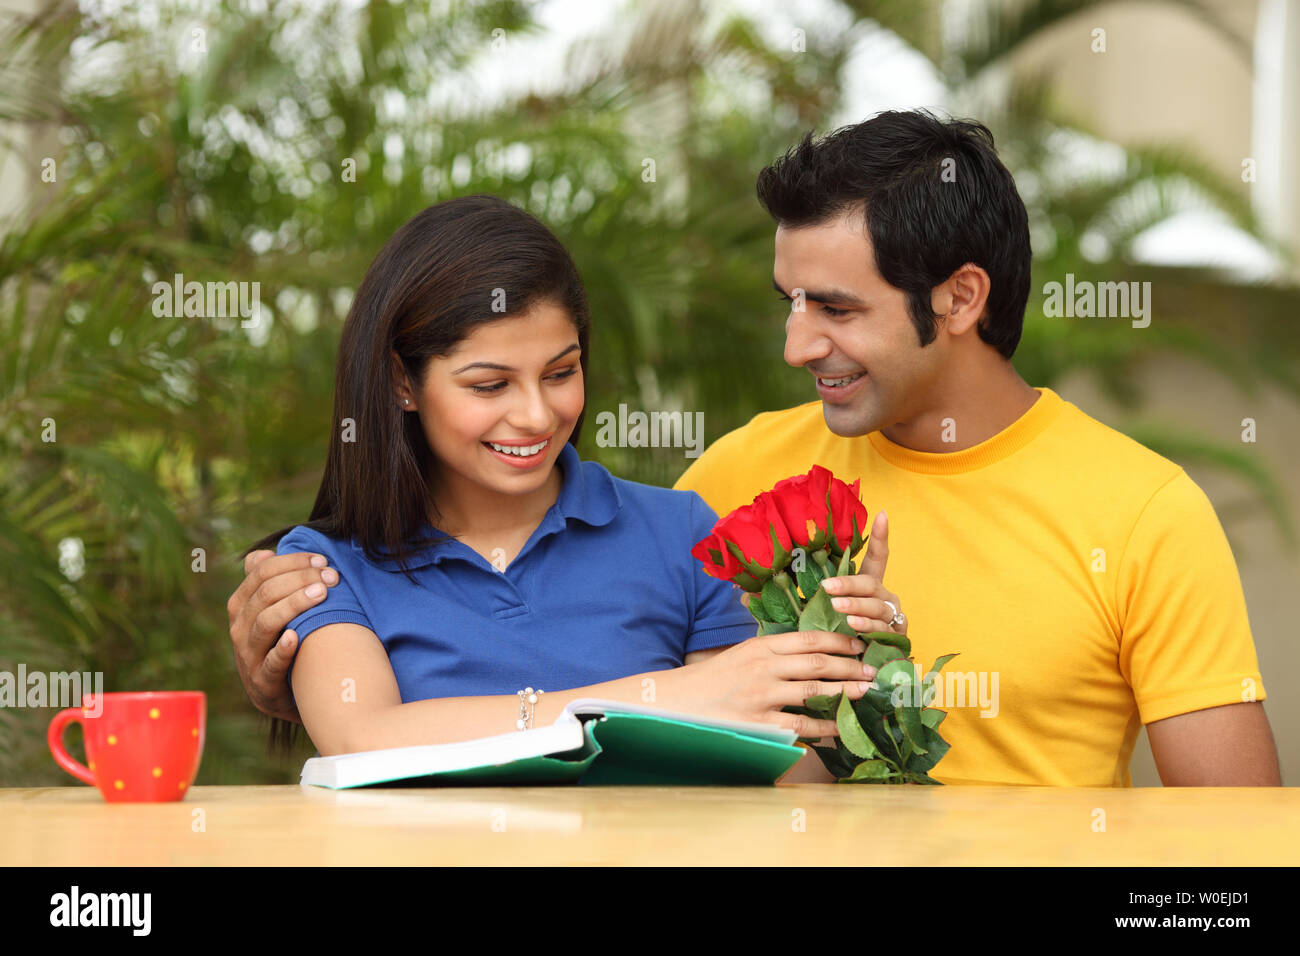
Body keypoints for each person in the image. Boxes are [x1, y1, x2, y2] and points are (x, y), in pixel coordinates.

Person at [232, 111, 1281, 787]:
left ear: (960, 298)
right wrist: (295, 663)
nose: (793, 345)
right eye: (788, 302)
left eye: (832, 306)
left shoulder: (1140, 510)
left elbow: (1232, 849)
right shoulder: (729, 482)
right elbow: (615, 648)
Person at [235, 194, 901, 771]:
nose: (535, 414)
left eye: (560, 373)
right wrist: (663, 697)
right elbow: (363, 740)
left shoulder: (680, 535)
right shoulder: (323, 570)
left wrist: (839, 651)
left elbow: (773, 772)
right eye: (490, 384)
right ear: (402, 383)